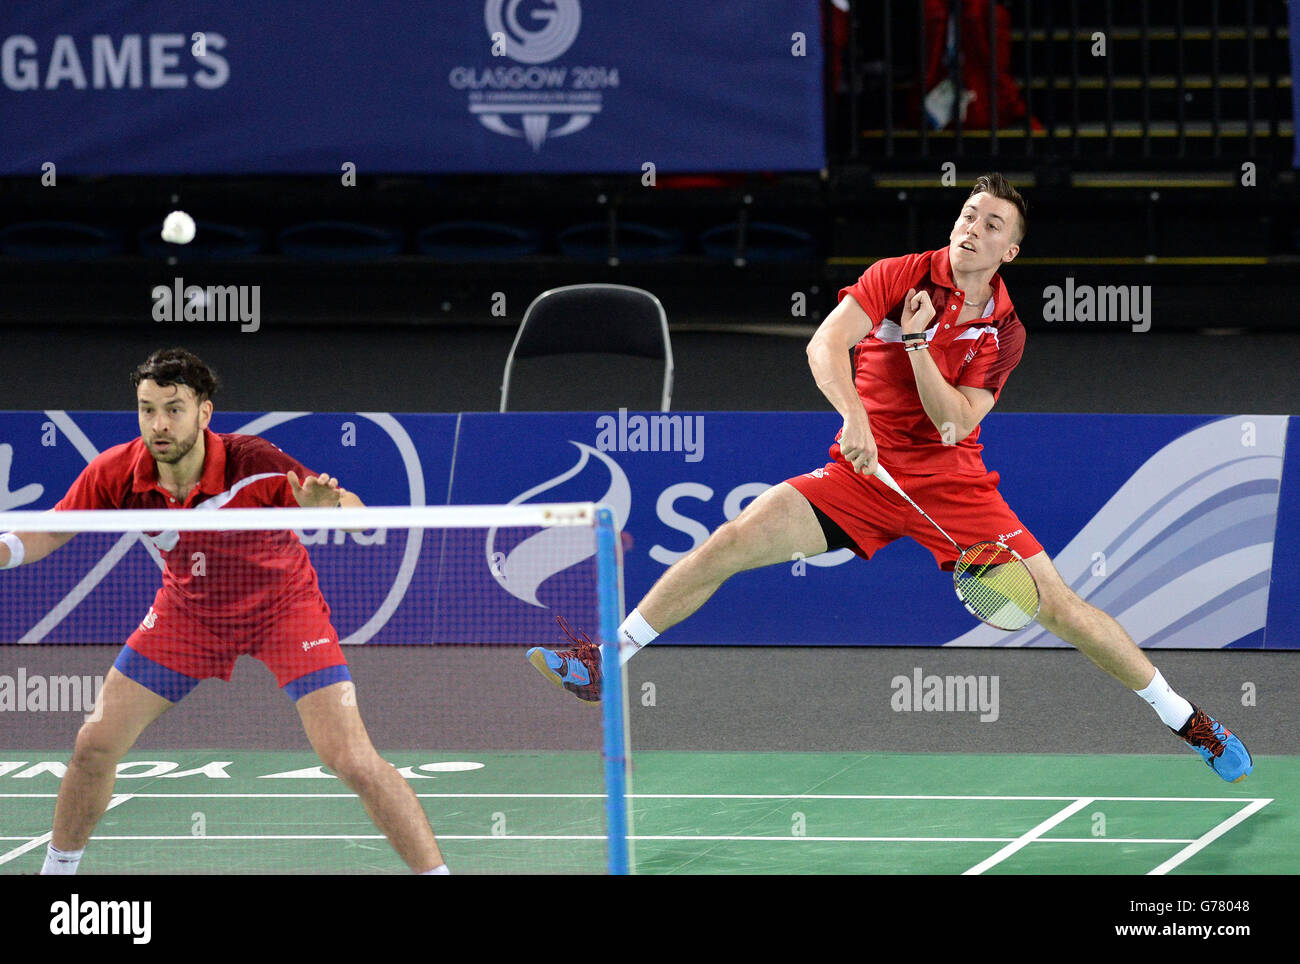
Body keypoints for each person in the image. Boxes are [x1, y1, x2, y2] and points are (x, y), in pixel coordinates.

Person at [526, 173, 1252, 784]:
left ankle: (1190, 722)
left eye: (991, 222)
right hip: (861, 471)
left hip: (952, 488)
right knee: (731, 541)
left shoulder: (1004, 332)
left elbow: (956, 424)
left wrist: (913, 345)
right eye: (969, 213)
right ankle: (604, 662)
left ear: (1011, 249)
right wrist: (853, 415)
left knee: (1058, 608)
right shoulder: (899, 273)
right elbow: (825, 345)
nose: (972, 226)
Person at [0, 348, 450, 873]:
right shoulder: (118, 471)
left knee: (350, 758)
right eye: (147, 410)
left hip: (283, 609)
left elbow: (345, 506)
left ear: (204, 412)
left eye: (173, 409)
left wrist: (331, 510)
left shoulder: (252, 460)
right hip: (187, 614)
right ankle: (57, 877)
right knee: (93, 745)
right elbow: (54, 527)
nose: (159, 425)